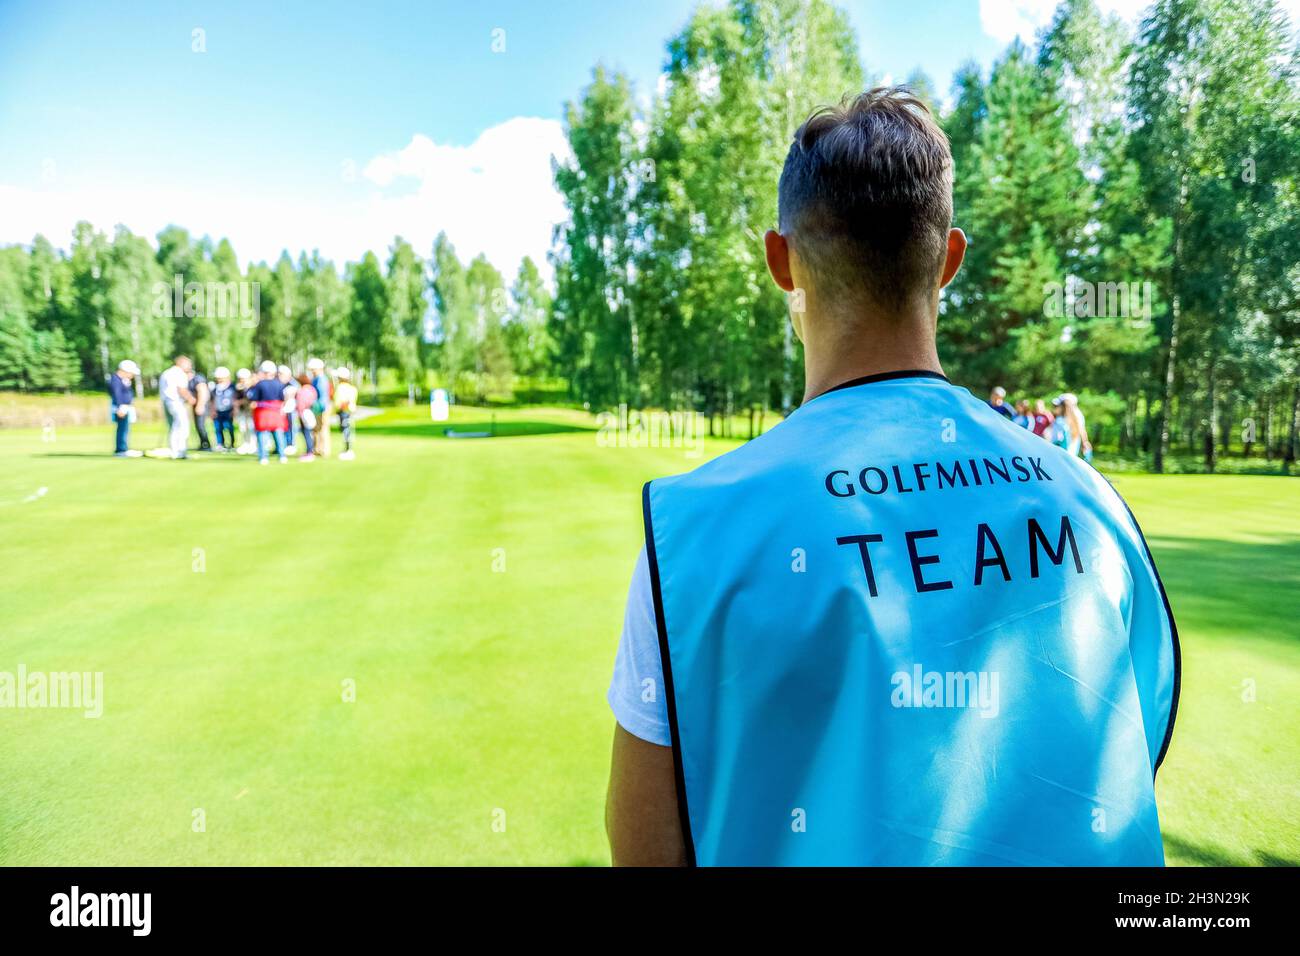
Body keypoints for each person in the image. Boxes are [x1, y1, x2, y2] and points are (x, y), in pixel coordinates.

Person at [604, 88, 1178, 867]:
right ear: (949, 258)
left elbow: (645, 842)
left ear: (781, 261)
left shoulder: (691, 531)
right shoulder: (1094, 506)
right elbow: (1124, 753)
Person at [247, 360, 288, 464]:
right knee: (278, 433)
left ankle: (263, 457)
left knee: (262, 433)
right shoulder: (279, 384)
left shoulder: (259, 384)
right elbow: (282, 399)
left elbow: (253, 400)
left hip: (263, 412)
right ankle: (282, 455)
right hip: (276, 412)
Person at [159, 356, 194, 460]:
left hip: (166, 402)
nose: (190, 366)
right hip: (175, 401)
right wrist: (190, 398)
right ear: (181, 363)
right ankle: (180, 451)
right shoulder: (179, 373)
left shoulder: (166, 372)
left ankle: (174, 451)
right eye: (188, 364)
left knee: (173, 426)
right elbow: (181, 389)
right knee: (181, 426)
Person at [108, 359, 142, 457]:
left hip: (125, 407)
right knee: (122, 428)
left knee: (125, 428)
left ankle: (123, 448)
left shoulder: (123, 380)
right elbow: (117, 394)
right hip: (121, 407)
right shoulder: (116, 380)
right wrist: (120, 407)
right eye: (131, 372)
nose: (132, 375)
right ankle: (121, 450)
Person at [308, 357, 332, 458]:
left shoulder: (321, 379)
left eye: (314, 369)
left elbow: (322, 396)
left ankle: (324, 450)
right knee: (317, 429)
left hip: (321, 407)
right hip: (318, 407)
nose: (312, 371)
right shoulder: (317, 379)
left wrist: (319, 408)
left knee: (322, 428)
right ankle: (317, 448)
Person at [333, 367, 357, 460]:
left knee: (346, 431)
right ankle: (347, 449)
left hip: (344, 411)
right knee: (347, 430)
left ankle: (348, 450)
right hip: (348, 411)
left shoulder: (341, 388)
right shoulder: (351, 387)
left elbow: (341, 402)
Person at [211, 367, 237, 451]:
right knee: (218, 428)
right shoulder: (215, 387)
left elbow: (234, 398)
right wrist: (213, 410)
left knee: (229, 427)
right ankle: (220, 444)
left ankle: (232, 444)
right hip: (219, 410)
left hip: (228, 410)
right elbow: (213, 400)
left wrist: (234, 409)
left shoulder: (232, 386)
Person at [295, 374, 318, 461]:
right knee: (310, 432)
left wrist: (300, 415)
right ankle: (310, 450)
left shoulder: (302, 390)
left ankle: (309, 452)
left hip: (304, 412)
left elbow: (300, 404)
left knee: (306, 432)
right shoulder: (312, 389)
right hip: (311, 411)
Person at [189, 367, 212, 451]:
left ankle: (206, 444)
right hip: (196, 405)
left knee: (201, 425)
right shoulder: (190, 380)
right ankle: (203, 443)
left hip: (201, 405)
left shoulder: (197, 379)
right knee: (198, 426)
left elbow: (203, 392)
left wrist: (200, 405)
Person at [278, 365, 299, 456]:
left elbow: (288, 397)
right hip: (284, 409)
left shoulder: (292, 384)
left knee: (291, 427)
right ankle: (284, 444)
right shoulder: (281, 384)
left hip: (290, 409)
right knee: (284, 428)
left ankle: (291, 445)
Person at [234, 368, 255, 454]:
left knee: (251, 427)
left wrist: (241, 401)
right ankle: (246, 444)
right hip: (242, 411)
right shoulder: (238, 388)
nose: (241, 380)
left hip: (250, 411)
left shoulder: (252, 387)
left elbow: (250, 399)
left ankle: (253, 445)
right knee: (243, 428)